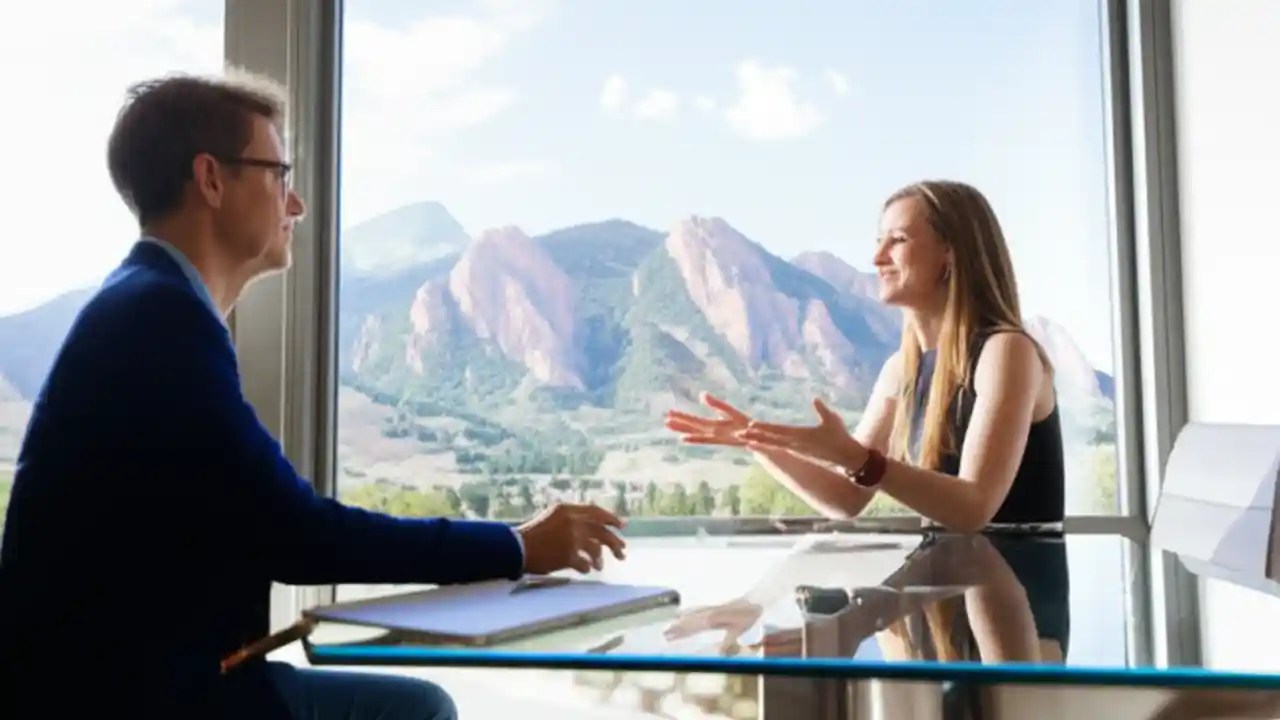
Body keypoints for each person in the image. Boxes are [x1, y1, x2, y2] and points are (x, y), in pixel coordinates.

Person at [0, 70, 625, 718]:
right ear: (212, 179)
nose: (295, 205)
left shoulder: (146, 305)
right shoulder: (160, 321)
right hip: (131, 699)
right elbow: (295, 533)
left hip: (137, 678)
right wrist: (516, 547)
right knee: (417, 711)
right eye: (280, 174)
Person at [665, 180, 1065, 531]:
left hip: (1017, 593)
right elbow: (846, 498)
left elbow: (973, 507)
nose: (877, 259)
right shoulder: (901, 369)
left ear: (951, 253)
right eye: (879, 241)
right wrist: (758, 443)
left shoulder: (1005, 351)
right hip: (951, 593)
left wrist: (855, 457)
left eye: (898, 240)